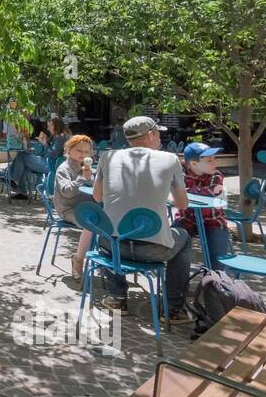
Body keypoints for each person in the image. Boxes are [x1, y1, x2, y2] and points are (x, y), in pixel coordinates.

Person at [91, 116, 191, 322]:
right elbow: (182, 204)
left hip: (115, 247)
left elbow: (98, 196)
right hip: (153, 249)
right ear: (151, 135)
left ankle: (117, 297)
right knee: (185, 238)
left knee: (106, 233)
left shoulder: (106, 157)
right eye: (159, 133)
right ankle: (173, 308)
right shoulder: (170, 159)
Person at [173, 142, 233, 267]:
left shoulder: (216, 175)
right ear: (194, 164)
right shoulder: (179, 174)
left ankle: (214, 283)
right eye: (209, 160)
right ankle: (177, 285)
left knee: (218, 260)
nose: (214, 163)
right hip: (186, 219)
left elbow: (213, 192)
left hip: (213, 220)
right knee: (174, 246)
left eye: (214, 159)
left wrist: (186, 192)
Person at [53, 134, 98, 276]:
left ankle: (106, 261)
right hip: (68, 209)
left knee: (110, 221)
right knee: (90, 224)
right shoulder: (64, 169)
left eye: (86, 151)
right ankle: (78, 260)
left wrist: (96, 178)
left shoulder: (87, 167)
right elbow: (67, 192)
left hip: (87, 206)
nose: (82, 154)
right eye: (79, 150)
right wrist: (81, 178)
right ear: (69, 150)